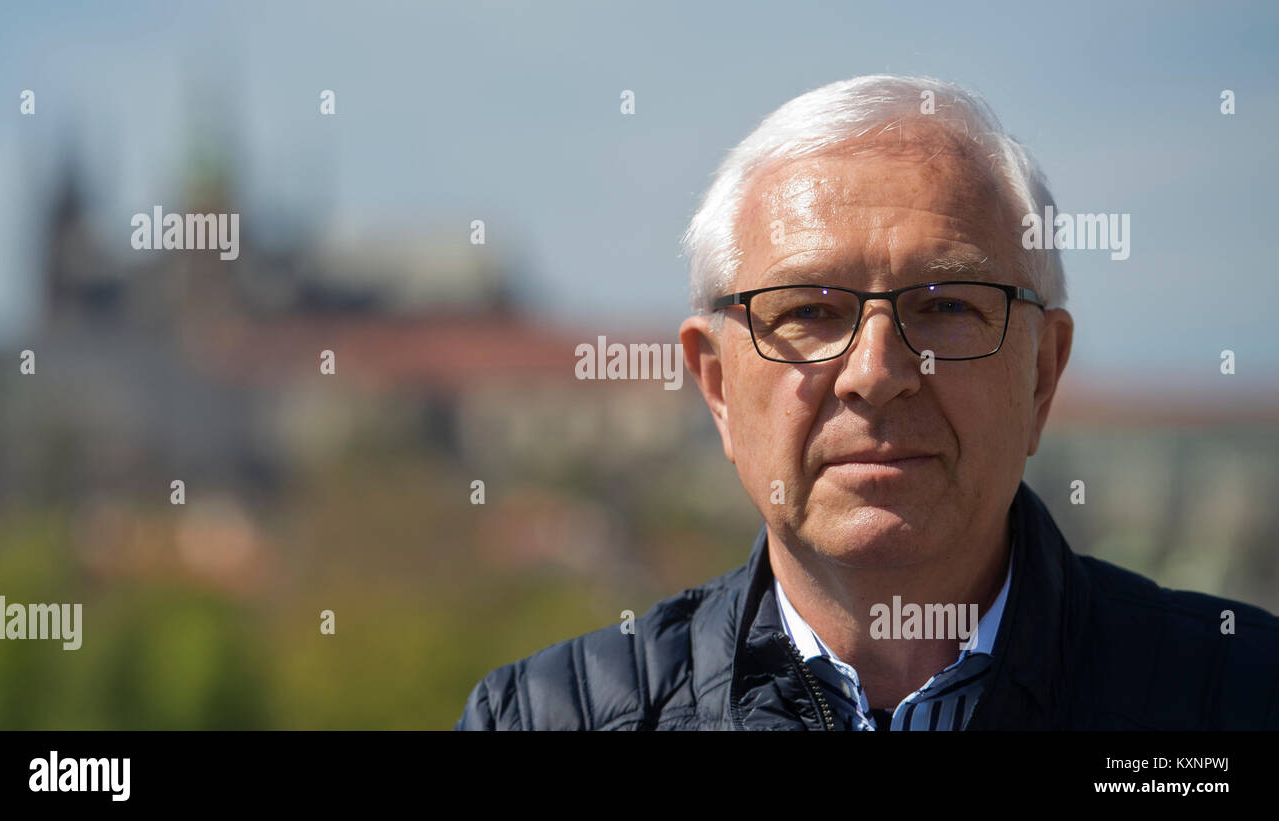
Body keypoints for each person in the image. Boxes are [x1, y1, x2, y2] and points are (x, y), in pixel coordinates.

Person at [455, 74, 1279, 730]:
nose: (876, 371)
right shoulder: (542, 716)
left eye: (947, 305)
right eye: (809, 312)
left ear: (1041, 374)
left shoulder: (1242, 694)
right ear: (715, 385)